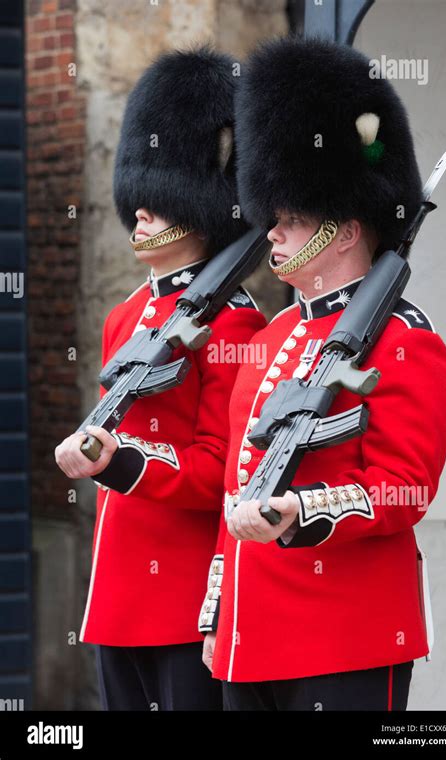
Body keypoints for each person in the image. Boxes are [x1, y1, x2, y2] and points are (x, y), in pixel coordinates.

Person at [199, 36, 446, 711]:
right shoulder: (272, 336)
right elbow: (237, 480)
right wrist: (216, 613)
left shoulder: (406, 339)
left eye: (290, 219)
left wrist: (305, 512)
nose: (273, 234)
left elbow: (404, 489)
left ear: (343, 231)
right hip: (248, 641)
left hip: (343, 639)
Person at [55, 46, 266, 711]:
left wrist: (123, 463)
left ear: (204, 207)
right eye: (137, 198)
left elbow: (220, 470)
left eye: (159, 199)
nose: (139, 213)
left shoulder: (233, 322)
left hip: (181, 599)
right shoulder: (124, 318)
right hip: (116, 592)